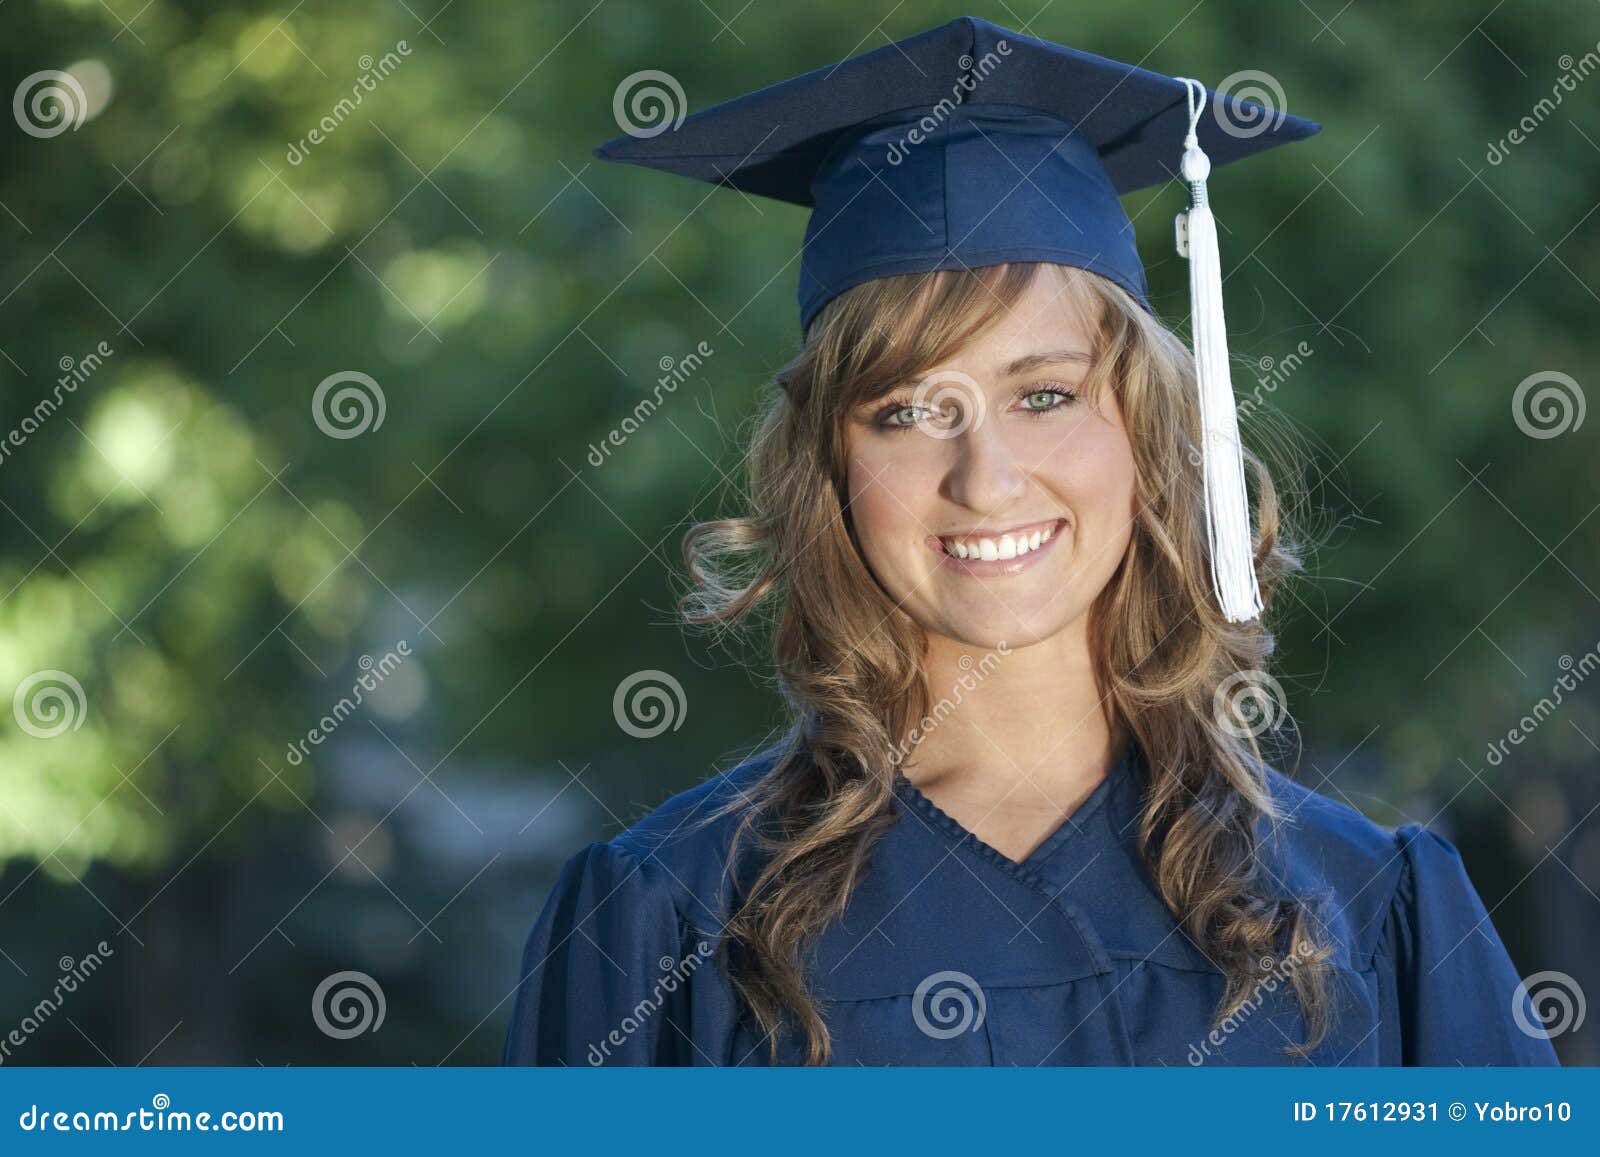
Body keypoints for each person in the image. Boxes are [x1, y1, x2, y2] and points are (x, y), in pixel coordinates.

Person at [502, 16, 1560, 1067]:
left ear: (1146, 430)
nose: (987, 479)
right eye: (906, 411)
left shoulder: (1372, 909)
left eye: (1045, 394)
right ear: (827, 463)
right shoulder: (667, 920)